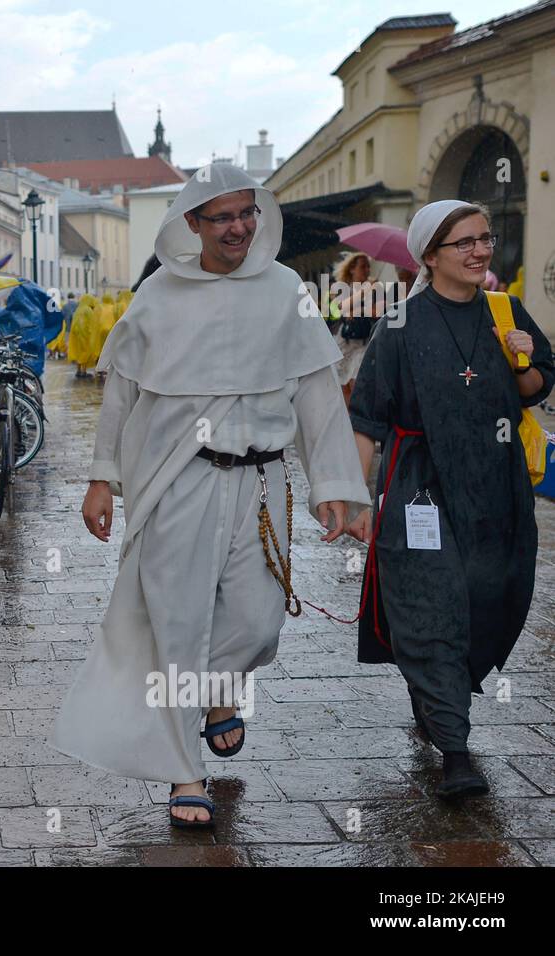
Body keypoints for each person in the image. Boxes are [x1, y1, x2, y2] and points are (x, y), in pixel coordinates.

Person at [56, 165, 370, 827]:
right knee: (175, 628)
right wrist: (100, 478)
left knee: (258, 624)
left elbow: (317, 393)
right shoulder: (158, 295)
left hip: (261, 484)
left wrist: (337, 485)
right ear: (193, 224)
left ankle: (221, 691)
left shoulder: (287, 290)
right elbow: (121, 395)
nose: (236, 228)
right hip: (179, 481)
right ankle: (183, 773)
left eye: (245, 213)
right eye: (220, 216)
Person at [346, 200, 554, 798]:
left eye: (484, 239)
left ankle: (434, 693)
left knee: (491, 594)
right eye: (462, 242)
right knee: (433, 602)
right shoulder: (399, 327)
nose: (479, 251)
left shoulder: (505, 309)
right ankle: (456, 751)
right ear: (430, 256)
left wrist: (521, 360)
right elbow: (366, 421)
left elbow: (536, 388)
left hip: (498, 485)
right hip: (420, 490)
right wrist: (356, 502)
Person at [329, 251, 384, 406]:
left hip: (363, 342)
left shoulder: (375, 287)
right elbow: (340, 307)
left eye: (368, 266)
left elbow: (378, 312)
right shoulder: (341, 287)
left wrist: (360, 309)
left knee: (357, 383)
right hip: (344, 341)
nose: (367, 270)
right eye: (363, 266)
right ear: (352, 269)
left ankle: (359, 417)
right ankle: (349, 422)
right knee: (342, 385)